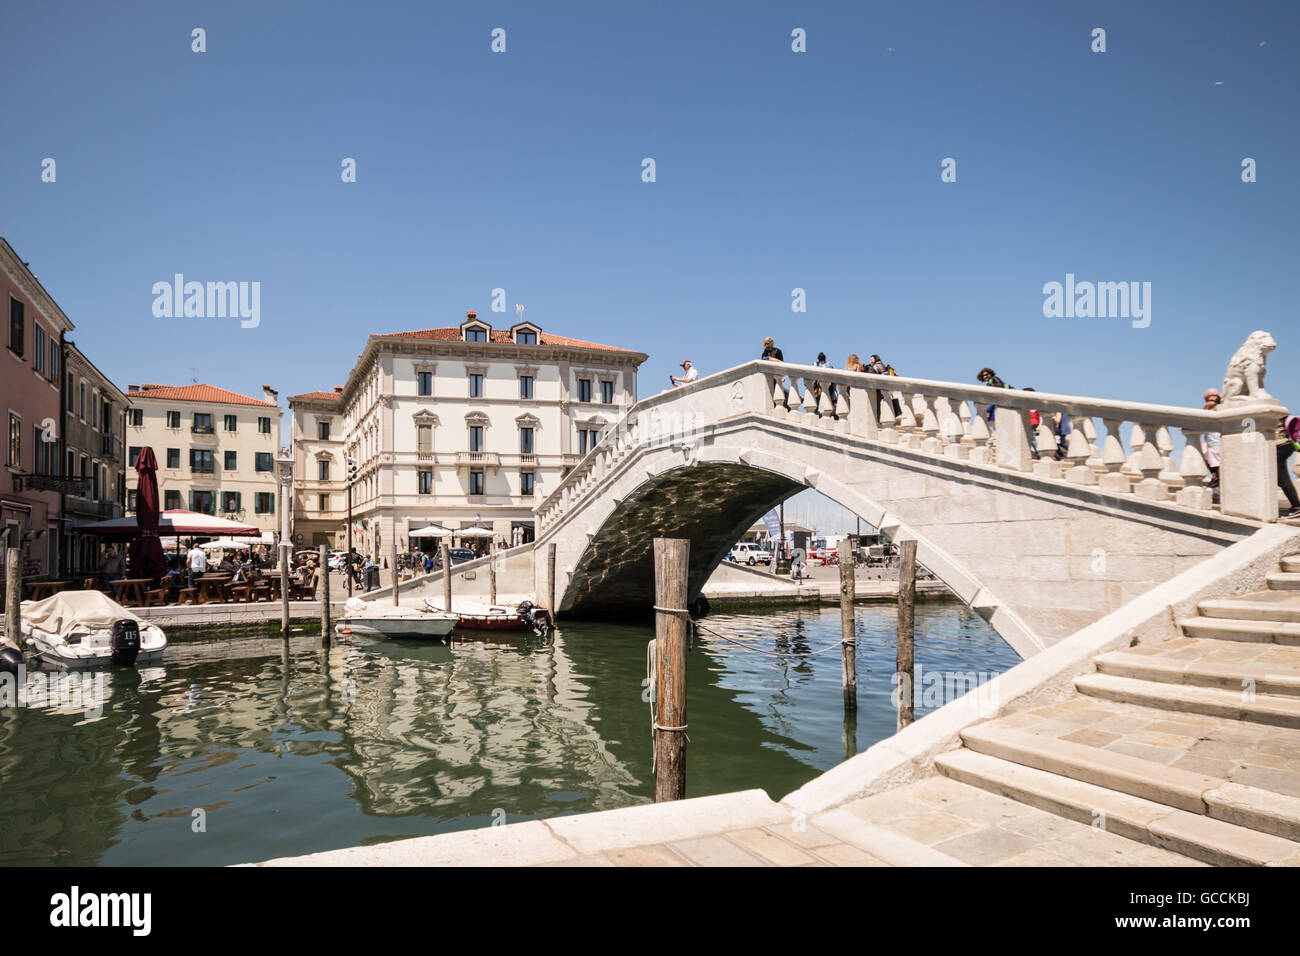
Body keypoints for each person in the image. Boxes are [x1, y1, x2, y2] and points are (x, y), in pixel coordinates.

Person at [1276, 414, 1300, 518]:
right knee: (1280, 479)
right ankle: (1296, 506)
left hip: (1280, 446)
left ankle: (1297, 507)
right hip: (1285, 446)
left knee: (1282, 479)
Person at [1201, 389, 1223, 488]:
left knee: (1216, 460)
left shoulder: (1221, 409)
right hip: (1208, 439)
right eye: (1209, 400)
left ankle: (1218, 479)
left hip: (1217, 440)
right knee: (1206, 457)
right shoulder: (1206, 409)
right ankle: (1215, 477)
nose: (1211, 402)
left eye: (1213, 400)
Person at [761, 337, 788, 407]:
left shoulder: (777, 351)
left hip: (776, 375)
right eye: (766, 343)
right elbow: (764, 360)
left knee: (780, 393)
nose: (767, 345)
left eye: (768, 343)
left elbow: (782, 363)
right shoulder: (765, 352)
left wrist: (783, 375)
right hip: (770, 376)